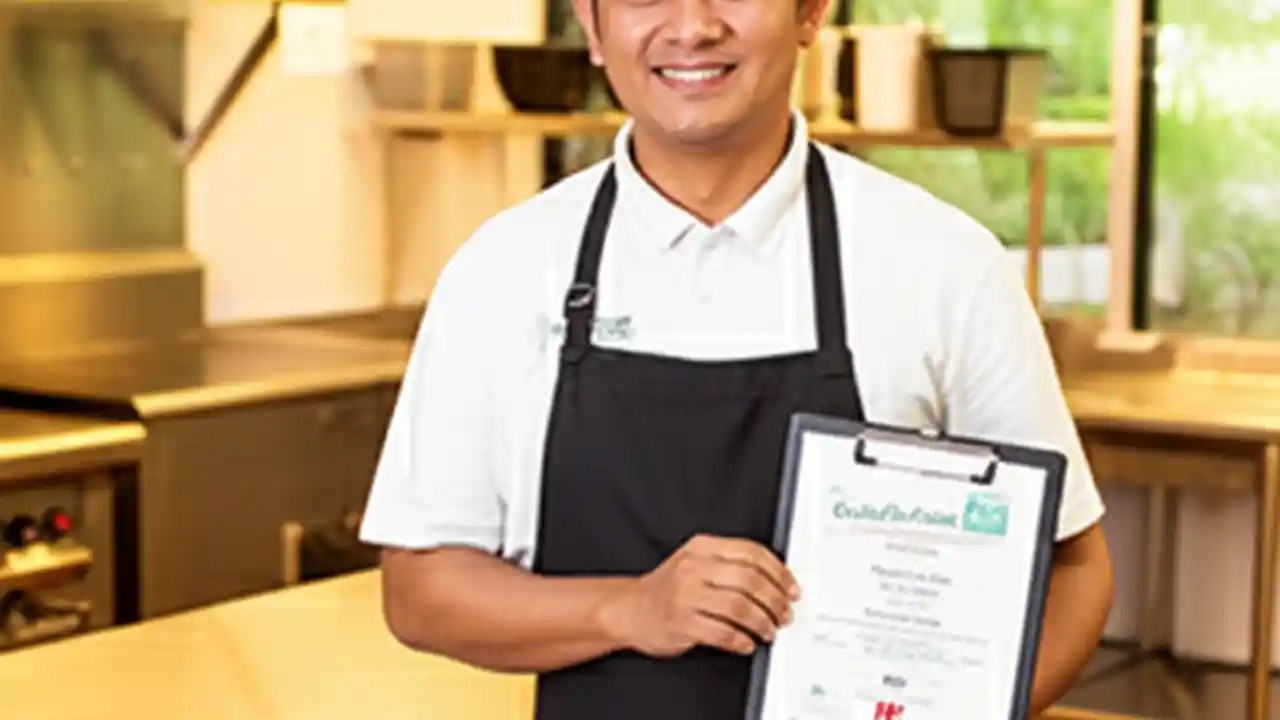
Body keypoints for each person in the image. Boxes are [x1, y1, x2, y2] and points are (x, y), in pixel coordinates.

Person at [358, 0, 1115, 717]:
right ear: (592, 24)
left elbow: (1074, 571)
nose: (691, 27)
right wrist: (629, 609)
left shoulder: (943, 264)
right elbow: (422, 589)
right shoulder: (506, 268)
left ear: (812, 10)